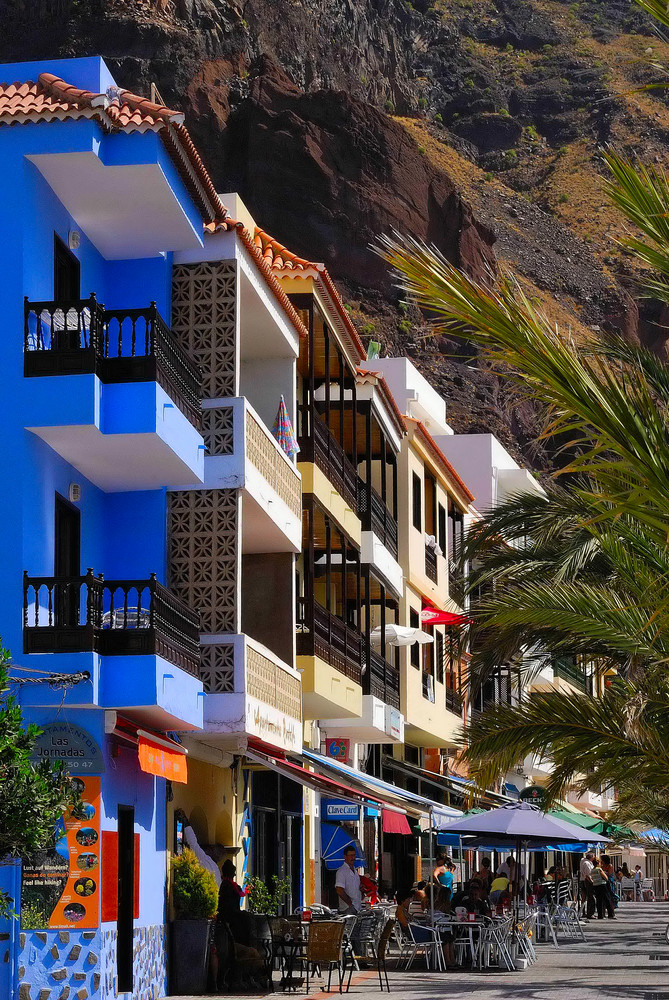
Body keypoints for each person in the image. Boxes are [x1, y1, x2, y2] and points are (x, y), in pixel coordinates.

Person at [396, 887, 456, 969]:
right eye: (408, 900)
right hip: (418, 934)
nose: (410, 901)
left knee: (450, 937)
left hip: (419, 931)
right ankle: (448, 961)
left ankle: (452, 961)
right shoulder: (400, 911)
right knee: (445, 937)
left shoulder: (403, 910)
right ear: (403, 900)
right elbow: (406, 924)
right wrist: (422, 925)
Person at [335, 845, 362, 913]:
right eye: (351, 855)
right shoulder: (341, 871)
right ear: (345, 857)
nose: (353, 858)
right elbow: (339, 890)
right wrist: (349, 904)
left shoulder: (355, 871)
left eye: (354, 855)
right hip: (347, 908)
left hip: (357, 907)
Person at [579, 852, 596, 920]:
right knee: (591, 897)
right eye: (593, 856)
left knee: (584, 897)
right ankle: (590, 913)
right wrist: (591, 882)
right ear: (591, 857)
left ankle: (583, 911)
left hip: (583, 880)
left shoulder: (583, 861)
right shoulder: (587, 863)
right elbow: (588, 874)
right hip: (587, 881)